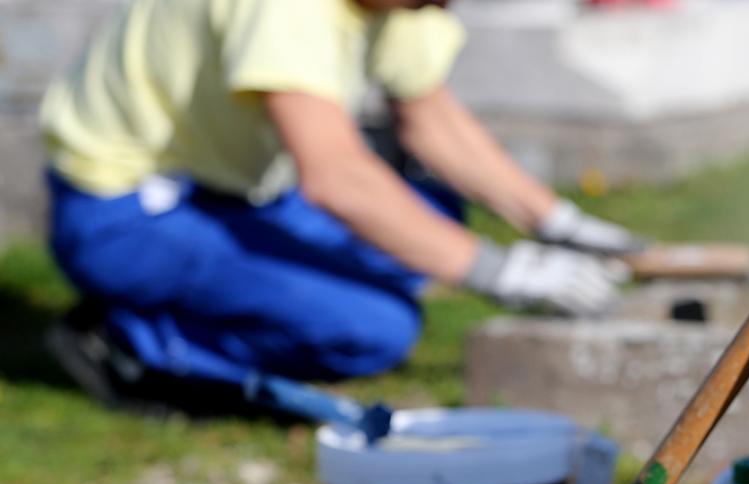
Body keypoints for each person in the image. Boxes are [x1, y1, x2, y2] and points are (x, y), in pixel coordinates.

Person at [40, 0, 642, 412]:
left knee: (428, 232)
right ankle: (127, 341)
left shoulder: (398, 3)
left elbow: (431, 120)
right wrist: (500, 270)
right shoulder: (286, 9)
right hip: (129, 211)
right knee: (375, 329)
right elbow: (335, 178)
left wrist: (559, 223)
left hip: (238, 190)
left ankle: (201, 301)